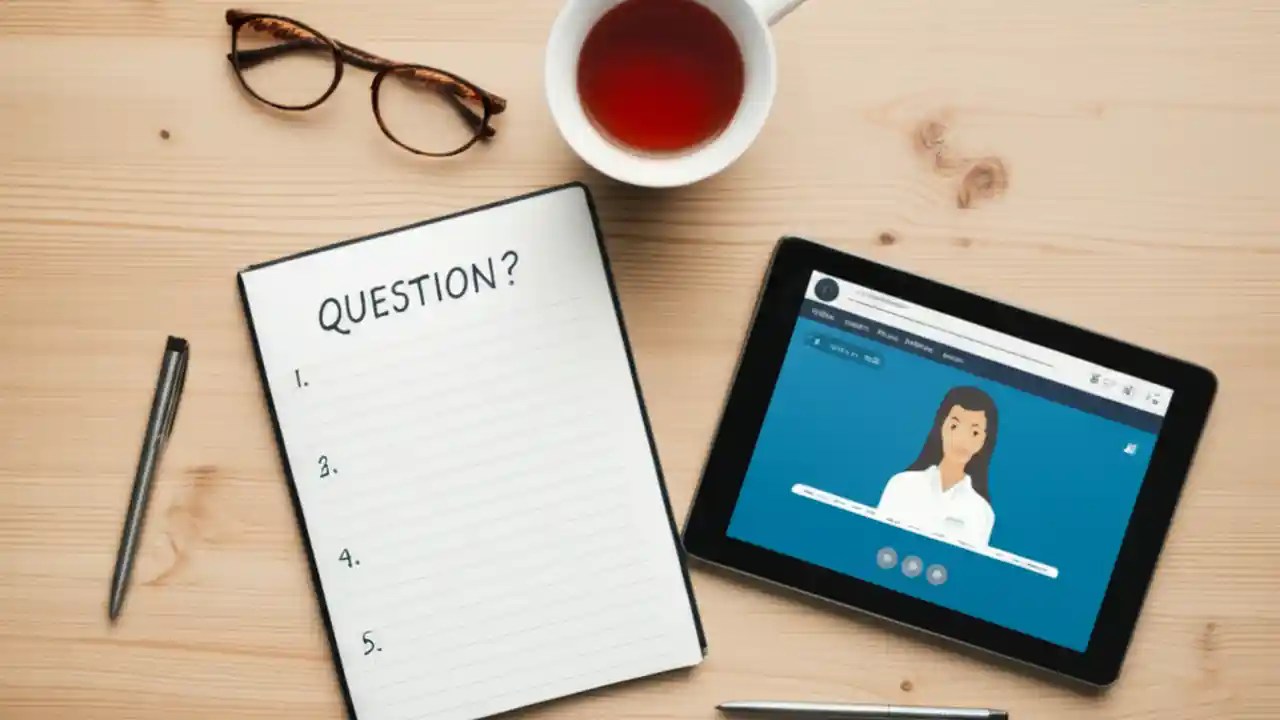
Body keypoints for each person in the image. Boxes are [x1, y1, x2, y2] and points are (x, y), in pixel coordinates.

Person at [877, 386, 998, 547]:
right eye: (954, 426)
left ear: (983, 441)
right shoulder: (901, 484)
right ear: (941, 426)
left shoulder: (981, 512)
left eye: (974, 432)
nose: (961, 440)